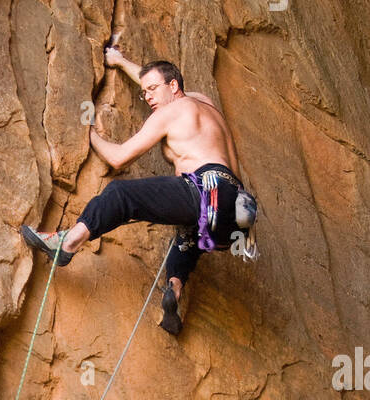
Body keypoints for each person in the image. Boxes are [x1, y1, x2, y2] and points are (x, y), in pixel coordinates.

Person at [21, 49, 250, 334]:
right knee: (187, 236)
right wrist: (119, 61)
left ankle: (67, 242)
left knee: (120, 194)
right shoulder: (204, 102)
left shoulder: (169, 113)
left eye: (152, 90)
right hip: (234, 211)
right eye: (144, 93)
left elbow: (119, 158)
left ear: (174, 86)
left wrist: (91, 134)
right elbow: (157, 79)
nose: (149, 97)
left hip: (204, 189)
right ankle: (175, 292)